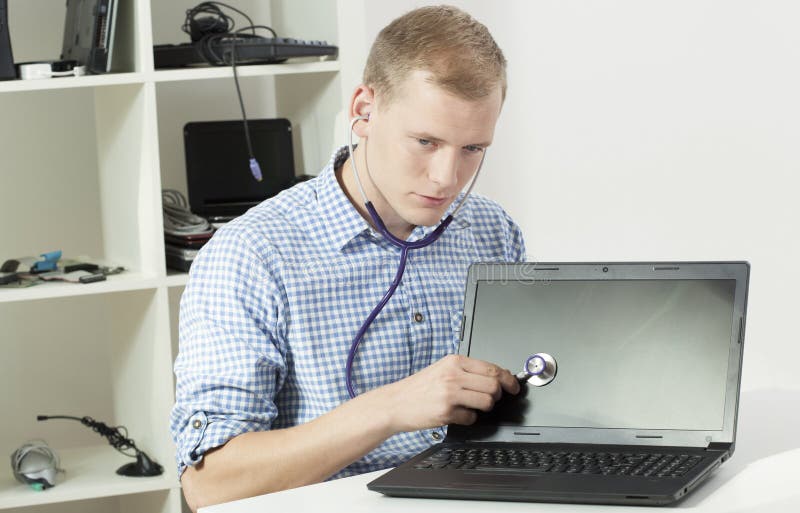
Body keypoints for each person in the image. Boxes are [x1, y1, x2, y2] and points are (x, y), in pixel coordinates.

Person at [171, 5, 526, 511]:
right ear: (363, 110)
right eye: (425, 141)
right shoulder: (251, 255)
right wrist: (388, 409)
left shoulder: (492, 232)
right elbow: (209, 484)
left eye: (472, 148)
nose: (446, 178)